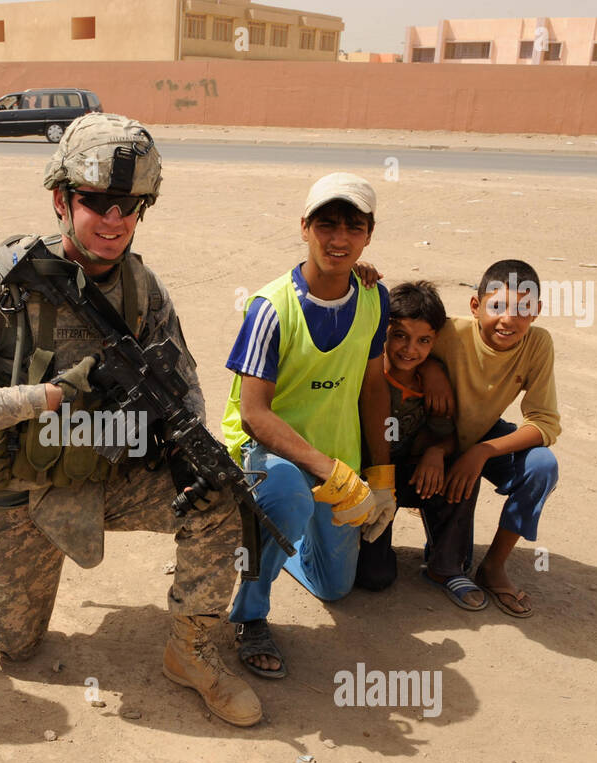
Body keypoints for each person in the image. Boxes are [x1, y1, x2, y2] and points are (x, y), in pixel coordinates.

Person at [0, 112, 262, 727]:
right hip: (13, 489)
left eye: (130, 204)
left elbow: (186, 392)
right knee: (9, 642)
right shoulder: (0, 282)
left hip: (104, 475)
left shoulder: (144, 289)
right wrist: (46, 397)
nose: (115, 220)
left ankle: (192, 650)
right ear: (61, 199)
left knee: (218, 496)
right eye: (98, 201)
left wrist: (191, 457)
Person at [220, 172, 394, 678]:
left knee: (335, 587)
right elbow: (254, 414)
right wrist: (330, 473)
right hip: (272, 456)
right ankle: (250, 613)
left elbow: (374, 386)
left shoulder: (374, 299)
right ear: (304, 228)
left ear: (369, 234)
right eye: (326, 225)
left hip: (336, 458)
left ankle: (276, 542)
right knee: (286, 496)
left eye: (353, 227)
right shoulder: (270, 308)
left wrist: (380, 477)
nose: (338, 239)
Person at [424, 259, 560, 617]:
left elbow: (545, 423)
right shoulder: (449, 334)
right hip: (437, 438)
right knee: (449, 564)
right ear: (475, 306)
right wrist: (431, 368)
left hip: (483, 434)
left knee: (542, 465)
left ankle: (494, 565)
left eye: (523, 309)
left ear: (537, 312)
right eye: (497, 306)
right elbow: (402, 349)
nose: (509, 320)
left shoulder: (538, 344)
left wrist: (483, 451)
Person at [352, 281, 484, 610]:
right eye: (399, 335)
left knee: (463, 468)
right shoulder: (360, 375)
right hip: (366, 483)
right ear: (382, 332)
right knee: (375, 578)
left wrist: (436, 452)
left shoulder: (433, 385)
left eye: (424, 341)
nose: (410, 350)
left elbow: (448, 432)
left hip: (408, 476)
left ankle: (446, 565)